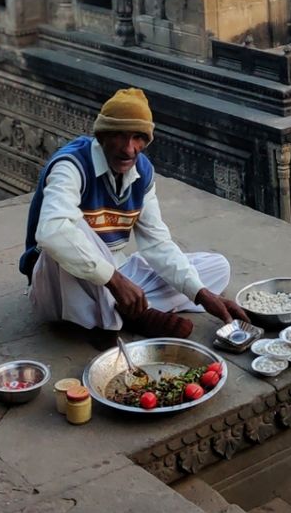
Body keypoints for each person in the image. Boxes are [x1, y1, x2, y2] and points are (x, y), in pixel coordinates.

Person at [20, 86, 246, 341]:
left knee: (217, 269)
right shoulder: (71, 165)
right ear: (102, 135)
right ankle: (125, 313)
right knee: (68, 228)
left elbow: (157, 244)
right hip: (60, 284)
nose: (129, 149)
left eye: (138, 137)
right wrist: (115, 281)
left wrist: (202, 295)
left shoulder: (142, 173)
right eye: (119, 136)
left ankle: (121, 311)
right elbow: (52, 233)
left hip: (112, 272)